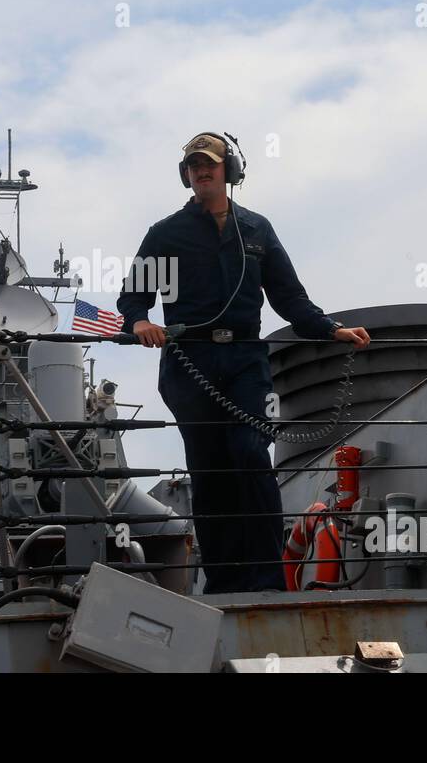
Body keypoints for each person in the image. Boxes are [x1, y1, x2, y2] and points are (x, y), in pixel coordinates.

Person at [116, 131, 370, 593]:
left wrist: (331, 330)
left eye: (209, 164)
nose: (202, 171)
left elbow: (289, 297)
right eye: (194, 166)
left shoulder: (256, 229)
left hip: (246, 359)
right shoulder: (166, 233)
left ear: (229, 171)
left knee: (251, 455)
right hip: (189, 361)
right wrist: (138, 324)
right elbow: (133, 297)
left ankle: (267, 577)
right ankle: (223, 581)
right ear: (186, 175)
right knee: (209, 470)